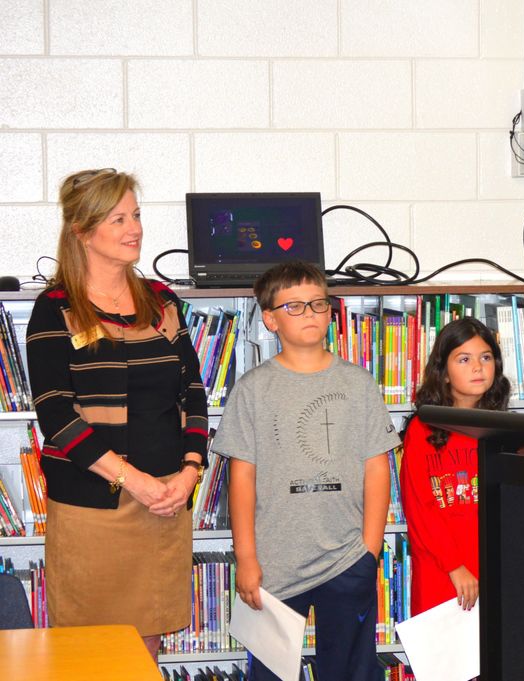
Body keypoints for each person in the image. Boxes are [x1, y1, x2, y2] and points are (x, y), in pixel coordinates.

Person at [25, 168, 209, 659]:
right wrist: (134, 480)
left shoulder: (162, 301)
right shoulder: (55, 307)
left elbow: (193, 393)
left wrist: (190, 472)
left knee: (145, 647)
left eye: (137, 215)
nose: (135, 229)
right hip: (93, 506)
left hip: (166, 499)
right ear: (83, 231)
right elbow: (56, 416)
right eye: (118, 218)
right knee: (89, 651)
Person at [213, 260, 398, 681]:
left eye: (317, 304)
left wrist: (369, 551)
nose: (309, 314)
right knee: (272, 675)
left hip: (347, 559)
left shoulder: (358, 383)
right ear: (270, 319)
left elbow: (376, 468)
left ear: (331, 312)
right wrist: (246, 558)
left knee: (351, 672)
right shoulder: (253, 390)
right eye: (294, 306)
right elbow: (241, 477)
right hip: (275, 566)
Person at [400, 317, 510, 616]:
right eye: (464, 359)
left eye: (485, 358)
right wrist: (454, 566)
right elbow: (420, 507)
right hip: (443, 572)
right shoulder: (423, 429)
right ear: (444, 373)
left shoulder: (505, 430)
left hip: (495, 568)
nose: (478, 367)